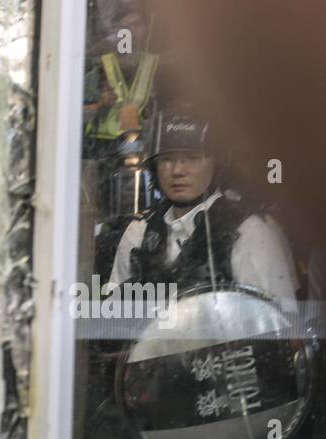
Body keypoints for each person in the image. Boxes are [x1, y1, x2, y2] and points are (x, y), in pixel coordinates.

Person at [107, 110, 298, 309]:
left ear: (216, 163)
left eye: (192, 157)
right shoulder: (138, 231)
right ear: (154, 166)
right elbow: (116, 317)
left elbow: (278, 321)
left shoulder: (248, 232)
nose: (177, 171)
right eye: (167, 159)